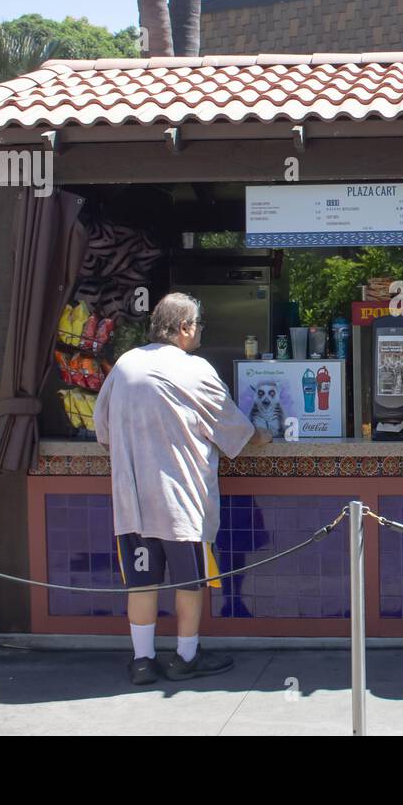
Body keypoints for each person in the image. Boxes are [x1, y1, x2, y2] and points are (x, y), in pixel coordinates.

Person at [94, 292, 270, 685]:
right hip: (181, 502)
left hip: (132, 501)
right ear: (185, 327)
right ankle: (185, 657)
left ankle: (142, 660)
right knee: (190, 583)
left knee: (141, 581)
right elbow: (237, 433)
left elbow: (102, 431)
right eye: (199, 324)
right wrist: (267, 435)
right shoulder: (196, 370)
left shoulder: (125, 365)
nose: (201, 331)